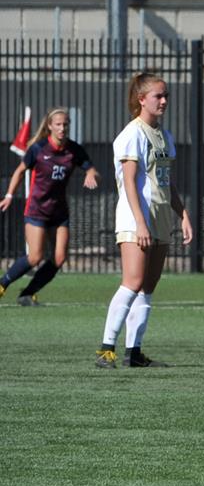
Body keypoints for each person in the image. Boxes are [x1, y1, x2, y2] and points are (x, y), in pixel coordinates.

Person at [98, 72, 193, 368]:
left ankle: (134, 352)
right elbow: (129, 182)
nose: (164, 101)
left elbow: (166, 181)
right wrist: (140, 223)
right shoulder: (132, 133)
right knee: (133, 281)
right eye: (158, 96)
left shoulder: (165, 136)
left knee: (148, 285)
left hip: (161, 215)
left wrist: (184, 214)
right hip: (136, 215)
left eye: (166, 96)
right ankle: (105, 349)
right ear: (141, 99)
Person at [0, 108, 99, 306]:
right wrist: (9, 195)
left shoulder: (74, 150)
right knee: (35, 256)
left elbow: (91, 168)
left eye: (65, 125)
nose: (62, 128)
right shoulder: (38, 149)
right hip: (37, 209)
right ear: (49, 126)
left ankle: (27, 294)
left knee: (59, 258)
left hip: (59, 212)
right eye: (58, 124)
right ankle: (2, 284)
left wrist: (90, 174)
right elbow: (20, 171)